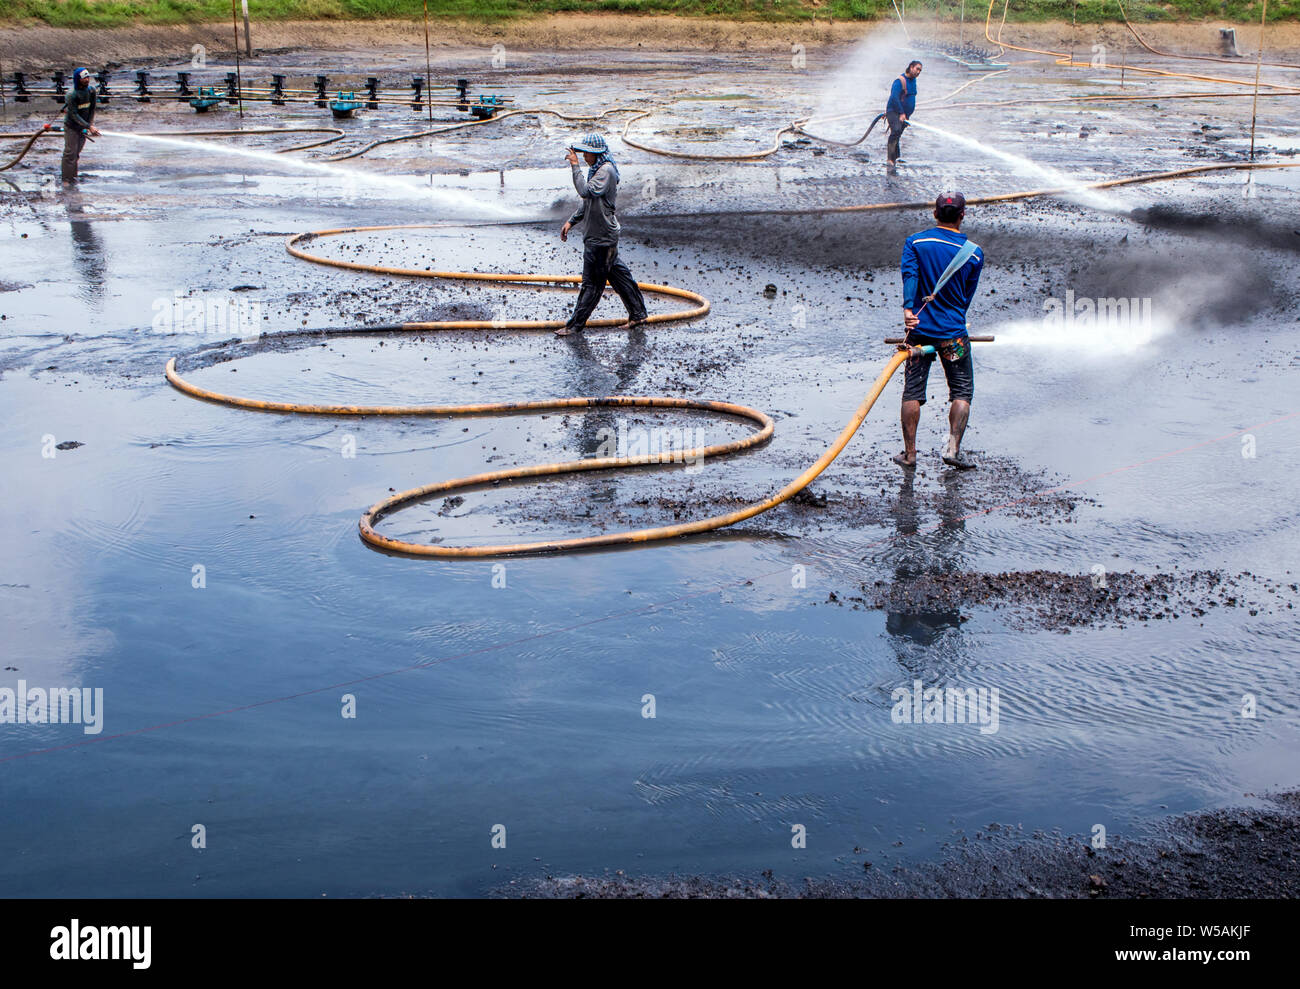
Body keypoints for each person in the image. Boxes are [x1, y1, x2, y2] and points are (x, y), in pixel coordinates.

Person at [895, 192, 984, 471]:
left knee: (912, 391)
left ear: (935, 214)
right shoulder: (973, 253)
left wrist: (909, 310)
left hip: (919, 331)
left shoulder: (916, 243)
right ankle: (953, 450)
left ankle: (910, 454)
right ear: (962, 215)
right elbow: (966, 297)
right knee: (961, 391)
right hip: (953, 334)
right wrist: (956, 317)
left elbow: (911, 277)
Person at [558, 132, 648, 337]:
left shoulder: (605, 171)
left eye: (586, 154)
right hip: (602, 236)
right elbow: (589, 203)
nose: (584, 157)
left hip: (600, 238)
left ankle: (574, 326)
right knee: (619, 277)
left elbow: (585, 192)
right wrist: (572, 220)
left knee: (591, 284)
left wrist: (574, 166)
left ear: (595, 154)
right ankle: (638, 313)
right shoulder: (597, 170)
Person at [61, 67, 101, 184]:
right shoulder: (72, 95)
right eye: (84, 78)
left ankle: (73, 177)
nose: (87, 80)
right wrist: (89, 126)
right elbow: (73, 115)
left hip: (83, 127)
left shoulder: (91, 91)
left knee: (76, 153)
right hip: (72, 127)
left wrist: (90, 125)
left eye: (88, 77)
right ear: (78, 79)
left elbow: (92, 109)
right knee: (70, 153)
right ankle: (66, 180)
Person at [885, 60, 922, 176]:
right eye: (917, 69)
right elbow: (894, 98)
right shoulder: (899, 81)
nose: (918, 72)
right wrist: (901, 113)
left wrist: (907, 115)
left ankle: (896, 157)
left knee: (898, 133)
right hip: (894, 111)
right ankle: (890, 159)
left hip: (904, 114)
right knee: (895, 131)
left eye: (920, 70)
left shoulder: (913, 81)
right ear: (911, 67)